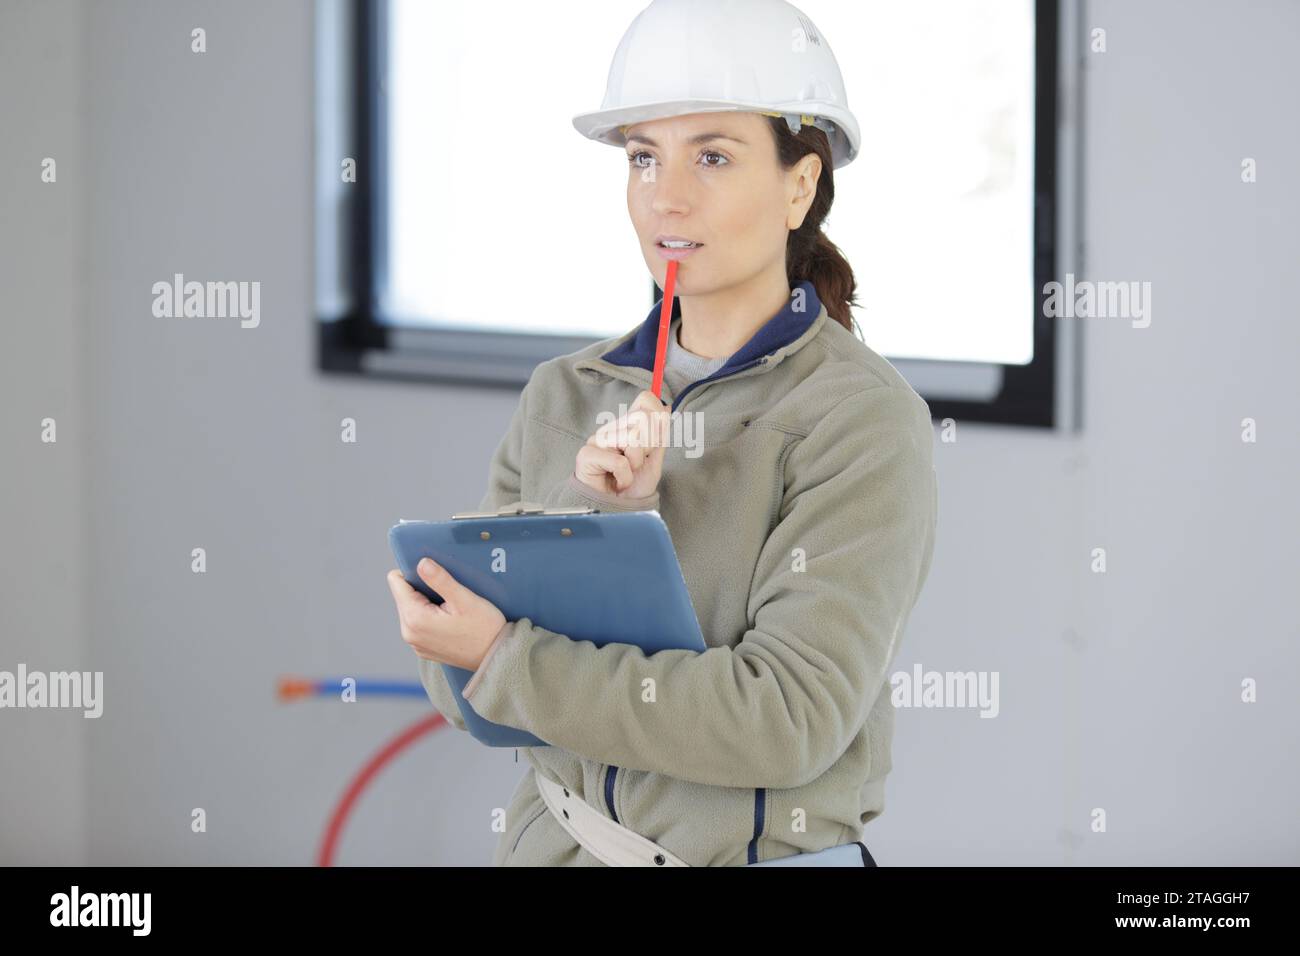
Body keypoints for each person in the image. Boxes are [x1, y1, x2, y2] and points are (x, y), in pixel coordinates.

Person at [386, 0, 938, 866]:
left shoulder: (860, 421)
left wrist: (508, 657)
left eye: (713, 156)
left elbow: (786, 719)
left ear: (800, 184)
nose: (666, 196)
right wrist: (588, 514)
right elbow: (466, 692)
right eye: (644, 156)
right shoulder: (564, 394)